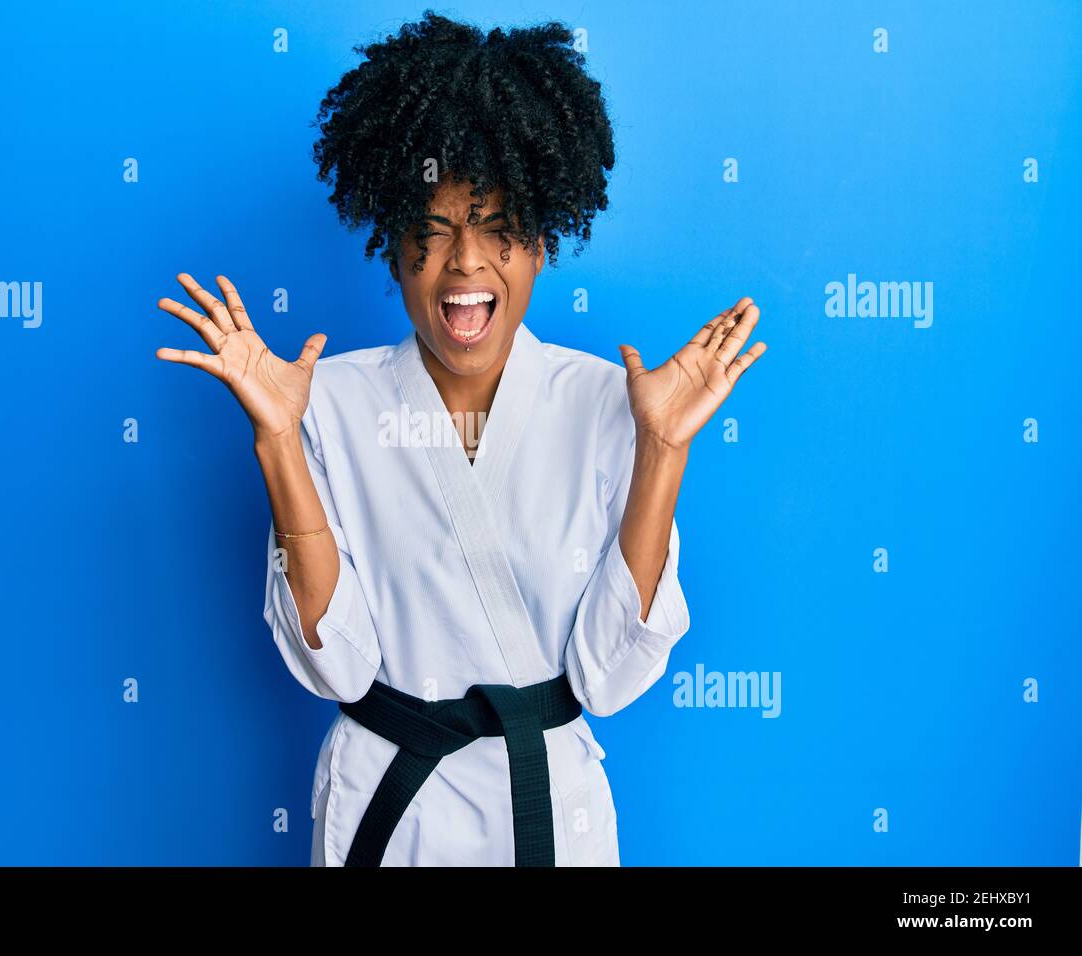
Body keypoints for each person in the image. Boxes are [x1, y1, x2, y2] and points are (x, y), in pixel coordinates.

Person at [154, 12, 766, 866]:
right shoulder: (323, 402)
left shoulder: (610, 403)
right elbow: (341, 670)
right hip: (389, 812)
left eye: (495, 226)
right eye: (431, 231)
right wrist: (280, 444)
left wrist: (663, 450)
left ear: (543, 244)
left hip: (550, 811)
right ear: (394, 250)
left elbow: (609, 677)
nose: (465, 263)